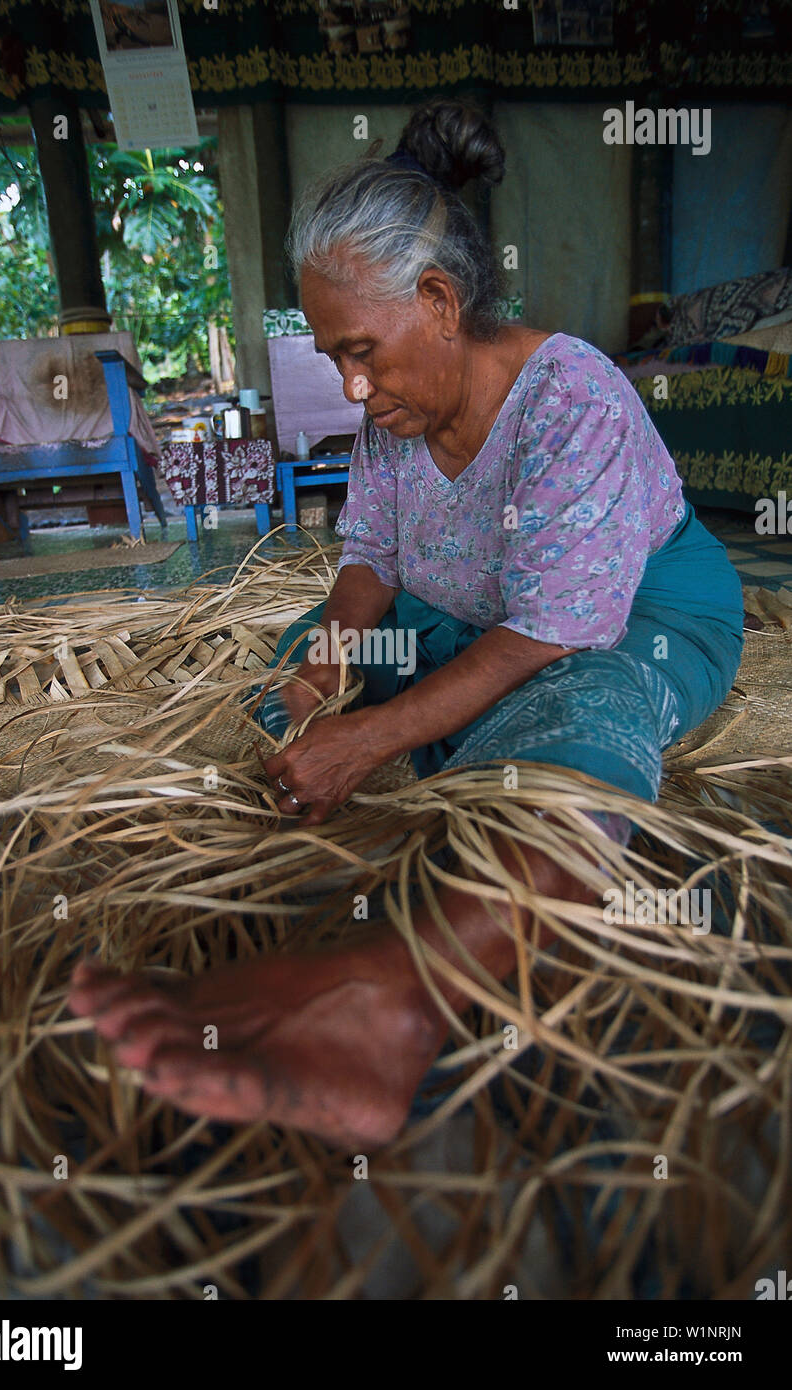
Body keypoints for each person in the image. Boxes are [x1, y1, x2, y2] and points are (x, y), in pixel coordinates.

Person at [68, 99, 744, 1150]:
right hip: (472, 610)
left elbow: (543, 632)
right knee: (318, 643)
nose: (350, 384)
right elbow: (370, 569)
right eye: (335, 356)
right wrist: (314, 693)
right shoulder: (396, 416)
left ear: (438, 300)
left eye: (361, 351)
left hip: (625, 616)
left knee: (588, 706)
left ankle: (398, 991)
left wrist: (374, 736)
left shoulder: (573, 398)